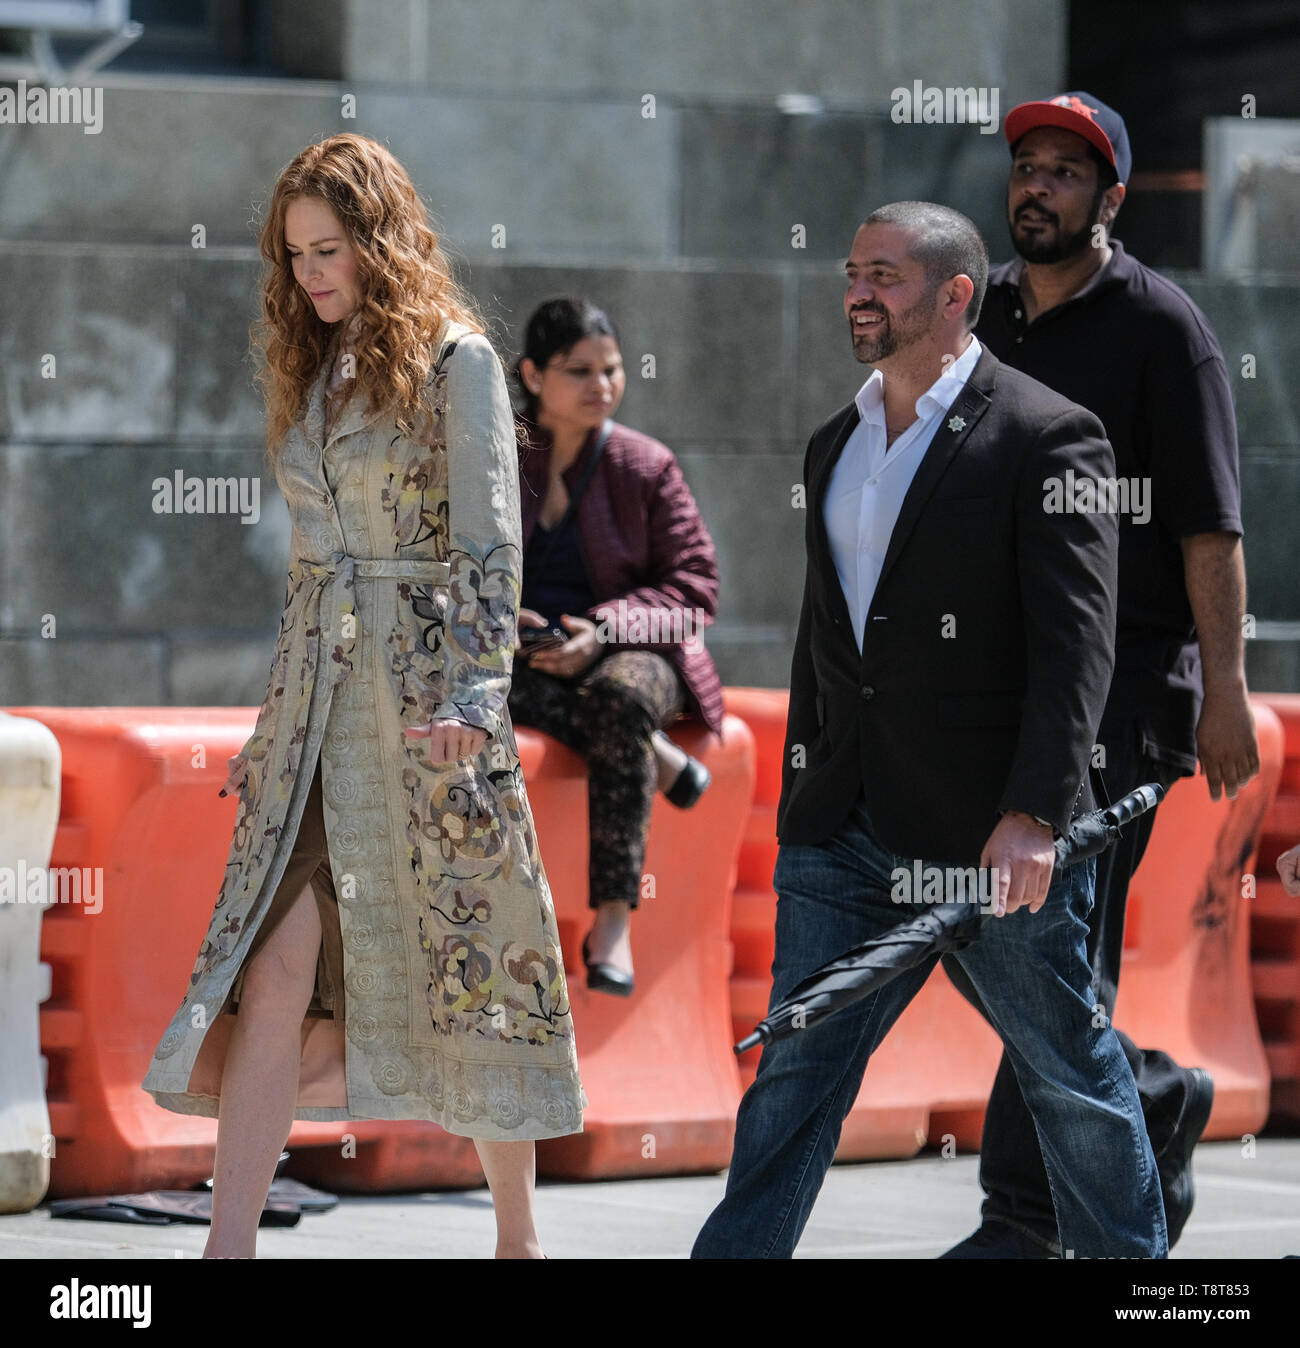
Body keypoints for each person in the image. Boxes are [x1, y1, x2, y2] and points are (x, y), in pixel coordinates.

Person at [692, 200, 1167, 1259]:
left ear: (957, 295)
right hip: (842, 832)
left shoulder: (1048, 434)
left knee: (1067, 1075)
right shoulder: (835, 441)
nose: (859, 292)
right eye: (853, 272)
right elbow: (832, 644)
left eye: (886, 276)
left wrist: (1035, 811)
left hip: (987, 834)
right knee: (795, 1076)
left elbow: (1076, 645)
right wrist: (808, 797)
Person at [141, 133, 585, 1259]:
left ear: (380, 240)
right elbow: (305, 574)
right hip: (318, 718)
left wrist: (479, 700)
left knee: (474, 960)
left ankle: (519, 1237)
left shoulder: (458, 360)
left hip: (429, 719)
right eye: (292, 256)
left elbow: (492, 549)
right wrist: (269, 728)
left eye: (328, 250)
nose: (310, 277)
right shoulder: (310, 367)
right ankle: (226, 1247)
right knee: (274, 965)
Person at [940, 92, 1260, 1259]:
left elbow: (1210, 531)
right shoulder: (988, 325)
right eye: (1026, 166)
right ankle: (1151, 1096)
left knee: (1049, 949)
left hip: (1120, 695)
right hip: (993, 693)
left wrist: (1224, 688)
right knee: (990, 941)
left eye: (1066, 172)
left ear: (1111, 198)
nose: (1037, 187)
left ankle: (1024, 1224)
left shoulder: (1162, 329)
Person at [509, 297, 724, 995]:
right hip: (522, 654)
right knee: (476, 680)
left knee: (622, 698)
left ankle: (611, 922)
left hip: (639, 652)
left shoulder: (644, 466)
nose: (602, 385)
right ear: (534, 375)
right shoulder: (496, 456)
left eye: (613, 369)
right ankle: (655, 756)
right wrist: (500, 614)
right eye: (580, 371)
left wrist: (601, 633)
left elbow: (697, 594)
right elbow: (449, 559)